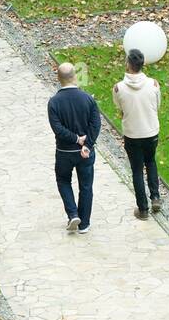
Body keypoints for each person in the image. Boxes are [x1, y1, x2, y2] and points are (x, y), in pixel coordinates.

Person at [47, 63, 101, 234]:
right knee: (86, 186)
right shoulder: (87, 99)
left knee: (63, 181)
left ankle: (72, 214)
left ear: (58, 78)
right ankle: (84, 223)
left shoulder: (54, 102)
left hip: (64, 152)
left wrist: (75, 139)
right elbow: (96, 124)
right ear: (75, 76)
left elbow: (58, 129)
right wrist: (87, 144)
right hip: (85, 153)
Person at [112, 48, 162, 220]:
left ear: (128, 64)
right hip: (151, 131)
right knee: (151, 162)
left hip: (132, 134)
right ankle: (155, 197)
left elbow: (119, 108)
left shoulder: (119, 88)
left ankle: (143, 209)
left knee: (137, 170)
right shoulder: (154, 85)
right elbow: (157, 105)